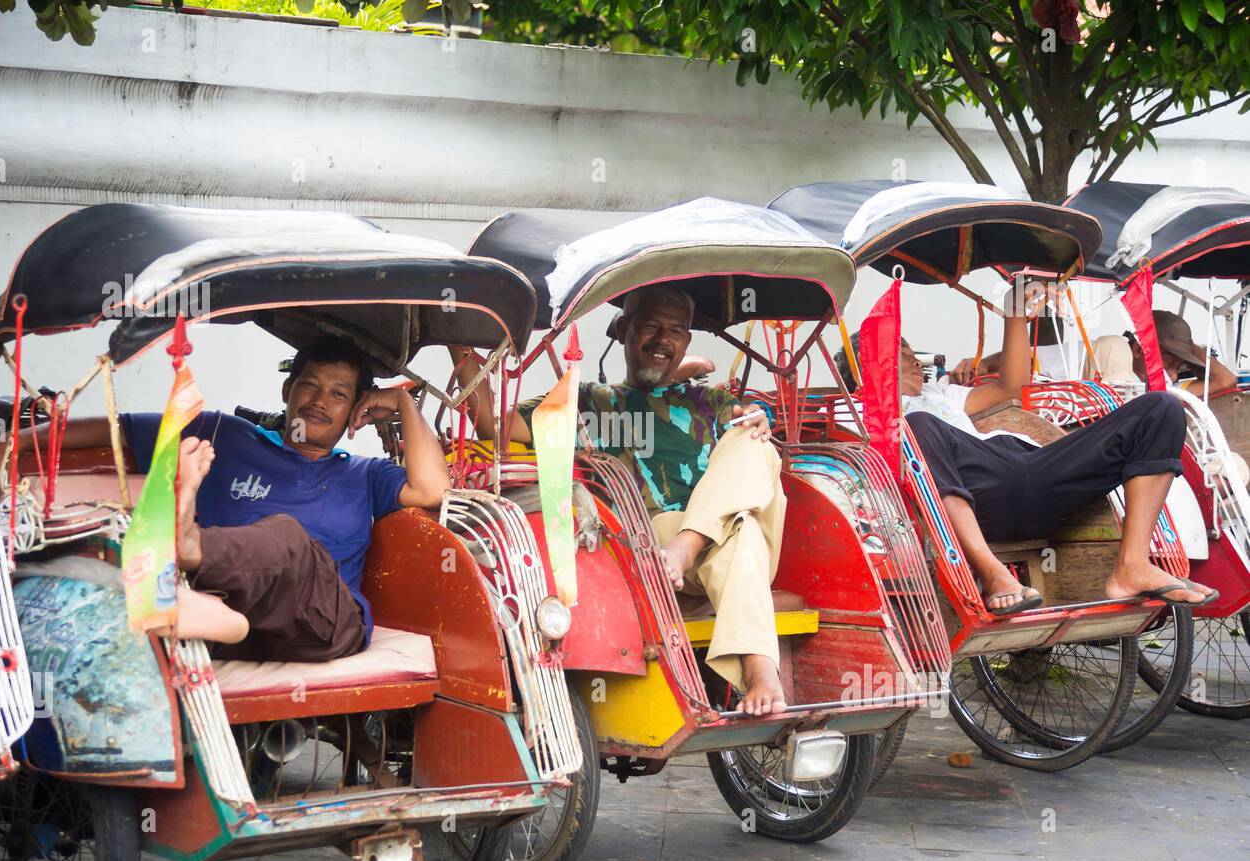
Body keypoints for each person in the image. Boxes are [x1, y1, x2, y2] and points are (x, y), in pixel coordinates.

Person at [0, 336, 451, 662]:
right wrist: (15, 445)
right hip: (234, 613)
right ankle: (199, 592)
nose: (319, 401)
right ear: (288, 390)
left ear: (355, 411)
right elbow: (117, 427)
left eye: (338, 394)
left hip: (324, 623)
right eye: (310, 385)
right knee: (220, 604)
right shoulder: (221, 433)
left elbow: (433, 491)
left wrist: (403, 402)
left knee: (287, 540)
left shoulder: (363, 474)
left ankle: (187, 545)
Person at [450, 286, 787, 716]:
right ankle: (761, 667)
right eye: (651, 326)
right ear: (624, 329)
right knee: (743, 531)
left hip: (685, 553)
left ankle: (688, 545)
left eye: (676, 331)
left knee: (755, 442)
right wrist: (459, 346)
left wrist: (761, 420)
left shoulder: (713, 403)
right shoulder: (592, 403)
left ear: (686, 341)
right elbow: (495, 427)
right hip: (652, 544)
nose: (664, 339)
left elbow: (754, 459)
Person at [834, 293, 1216, 614]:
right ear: (865, 363)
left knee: (1160, 409)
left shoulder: (942, 393)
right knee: (917, 425)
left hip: (1028, 469)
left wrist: (1015, 310)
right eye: (900, 352)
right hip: (970, 494)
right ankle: (990, 572)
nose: (916, 359)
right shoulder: (846, 410)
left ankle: (1132, 564)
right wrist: (892, 412)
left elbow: (1012, 385)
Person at [1126, 310, 1238, 400]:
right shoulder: (1114, 386)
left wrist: (1184, 342)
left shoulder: (1167, 392)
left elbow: (1225, 381)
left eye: (1179, 368)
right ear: (1139, 350)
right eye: (1169, 363)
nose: (1174, 376)